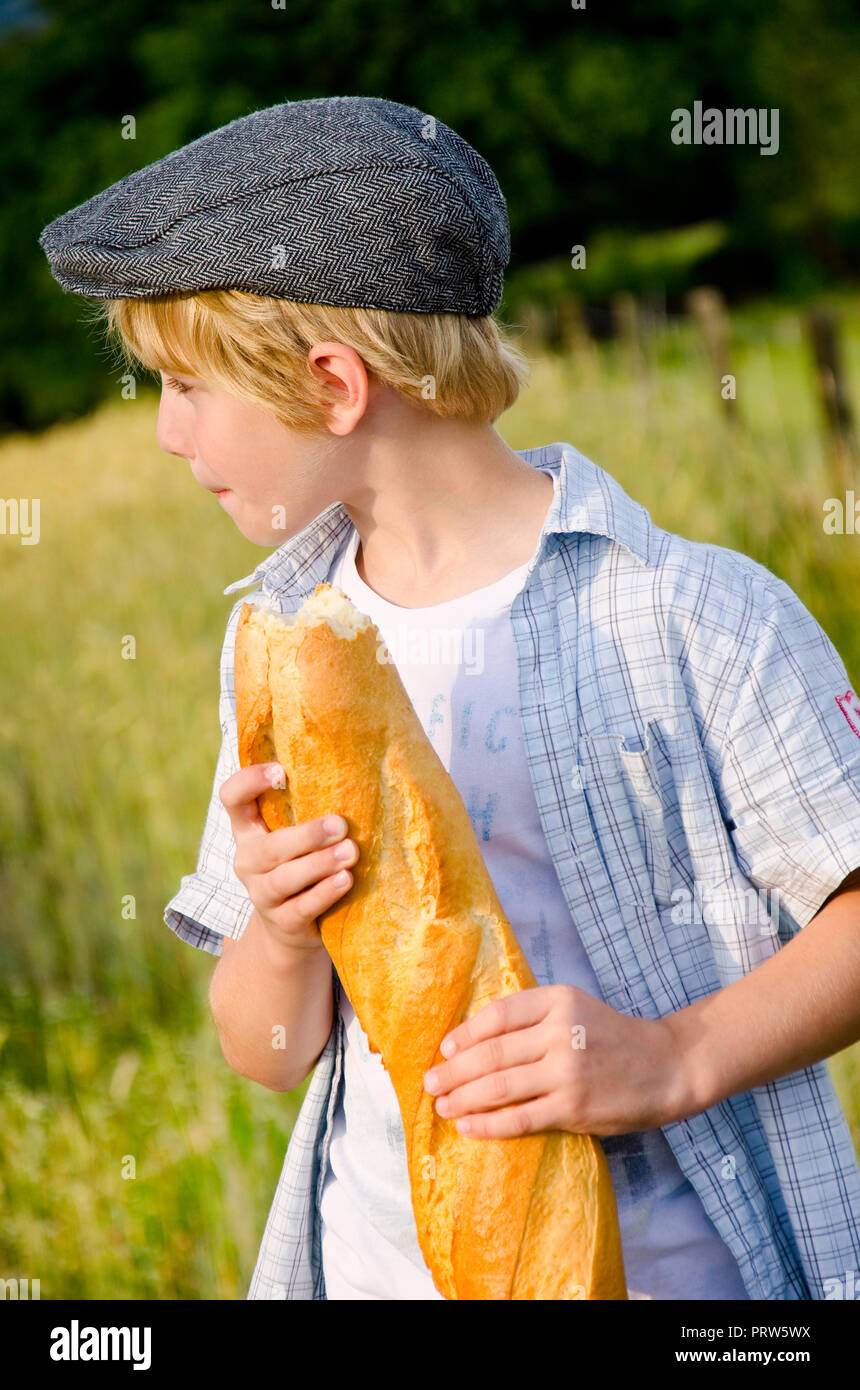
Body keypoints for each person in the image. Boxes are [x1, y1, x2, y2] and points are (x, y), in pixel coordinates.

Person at [39, 95, 860, 1302]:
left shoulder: (698, 616)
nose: (166, 435)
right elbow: (263, 1057)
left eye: (182, 387)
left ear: (330, 386)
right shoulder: (276, 642)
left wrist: (672, 1057)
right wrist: (274, 931)